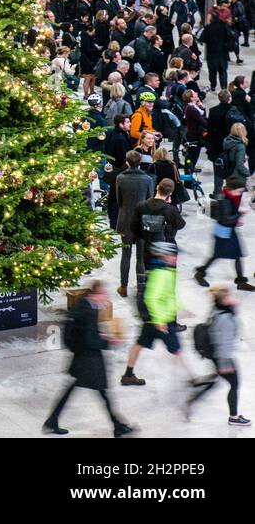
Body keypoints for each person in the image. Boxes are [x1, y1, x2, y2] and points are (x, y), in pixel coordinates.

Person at [42, 280, 133, 436]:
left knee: (81, 390)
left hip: (83, 357)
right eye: (104, 294)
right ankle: (117, 425)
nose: (106, 298)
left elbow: (87, 333)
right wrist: (109, 341)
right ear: (96, 294)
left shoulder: (87, 306)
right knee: (102, 391)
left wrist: (101, 336)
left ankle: (52, 421)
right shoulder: (88, 310)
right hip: (88, 359)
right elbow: (89, 338)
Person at [121, 241, 192, 387]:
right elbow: (151, 297)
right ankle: (190, 379)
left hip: (156, 318)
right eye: (173, 255)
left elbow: (168, 295)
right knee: (177, 350)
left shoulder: (165, 270)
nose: (175, 258)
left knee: (139, 344)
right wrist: (159, 321)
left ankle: (128, 374)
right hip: (162, 320)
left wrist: (180, 308)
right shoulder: (161, 273)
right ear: (164, 256)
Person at [186, 285, 249, 425]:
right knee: (234, 385)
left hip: (218, 355)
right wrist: (224, 364)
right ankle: (234, 417)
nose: (233, 298)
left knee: (217, 381)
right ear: (224, 300)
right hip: (223, 357)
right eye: (230, 296)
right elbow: (223, 342)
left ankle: (194, 394)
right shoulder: (225, 318)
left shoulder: (219, 310)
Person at [195, 173, 253, 290]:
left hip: (228, 230)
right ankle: (200, 273)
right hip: (224, 231)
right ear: (232, 190)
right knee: (218, 254)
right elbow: (226, 219)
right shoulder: (225, 200)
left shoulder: (230, 196)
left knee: (235, 254)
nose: (240, 193)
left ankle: (240, 281)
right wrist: (239, 214)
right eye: (239, 191)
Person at [115, 152, 155, 297]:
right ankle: (140, 288)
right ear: (140, 162)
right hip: (142, 221)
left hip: (125, 220)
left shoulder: (120, 178)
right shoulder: (147, 179)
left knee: (126, 254)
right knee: (141, 257)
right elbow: (150, 201)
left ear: (127, 162)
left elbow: (119, 201)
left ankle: (123, 287)